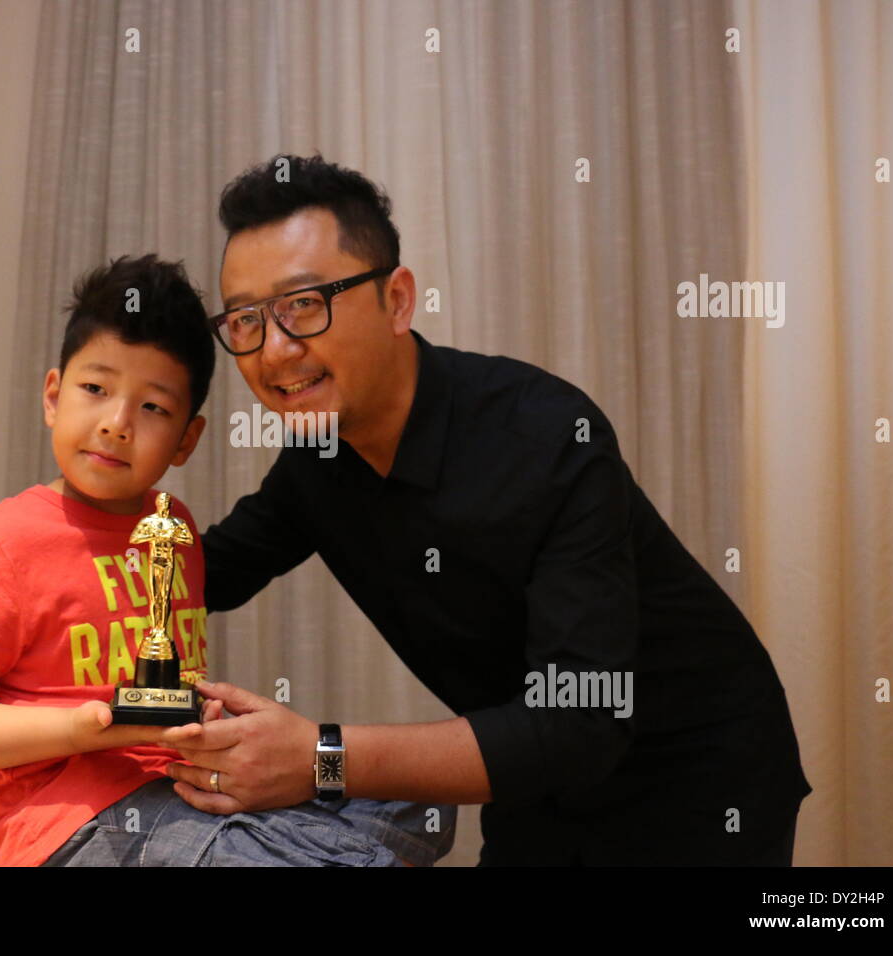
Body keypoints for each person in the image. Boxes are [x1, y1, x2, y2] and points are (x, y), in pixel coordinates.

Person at [164, 155, 813, 866]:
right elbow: (202, 574)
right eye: (246, 321)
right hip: (538, 786)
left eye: (305, 304)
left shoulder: (546, 435)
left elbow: (581, 724)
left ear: (398, 300)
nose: (275, 350)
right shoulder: (318, 460)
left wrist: (318, 757)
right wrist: (112, 472)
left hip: (701, 778)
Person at [0, 253, 455, 867]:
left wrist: (206, 721)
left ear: (187, 438)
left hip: (182, 789)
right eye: (95, 389)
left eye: (153, 407)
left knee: (415, 802)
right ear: (53, 396)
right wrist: (79, 729)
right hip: (65, 826)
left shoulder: (172, 527)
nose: (117, 424)